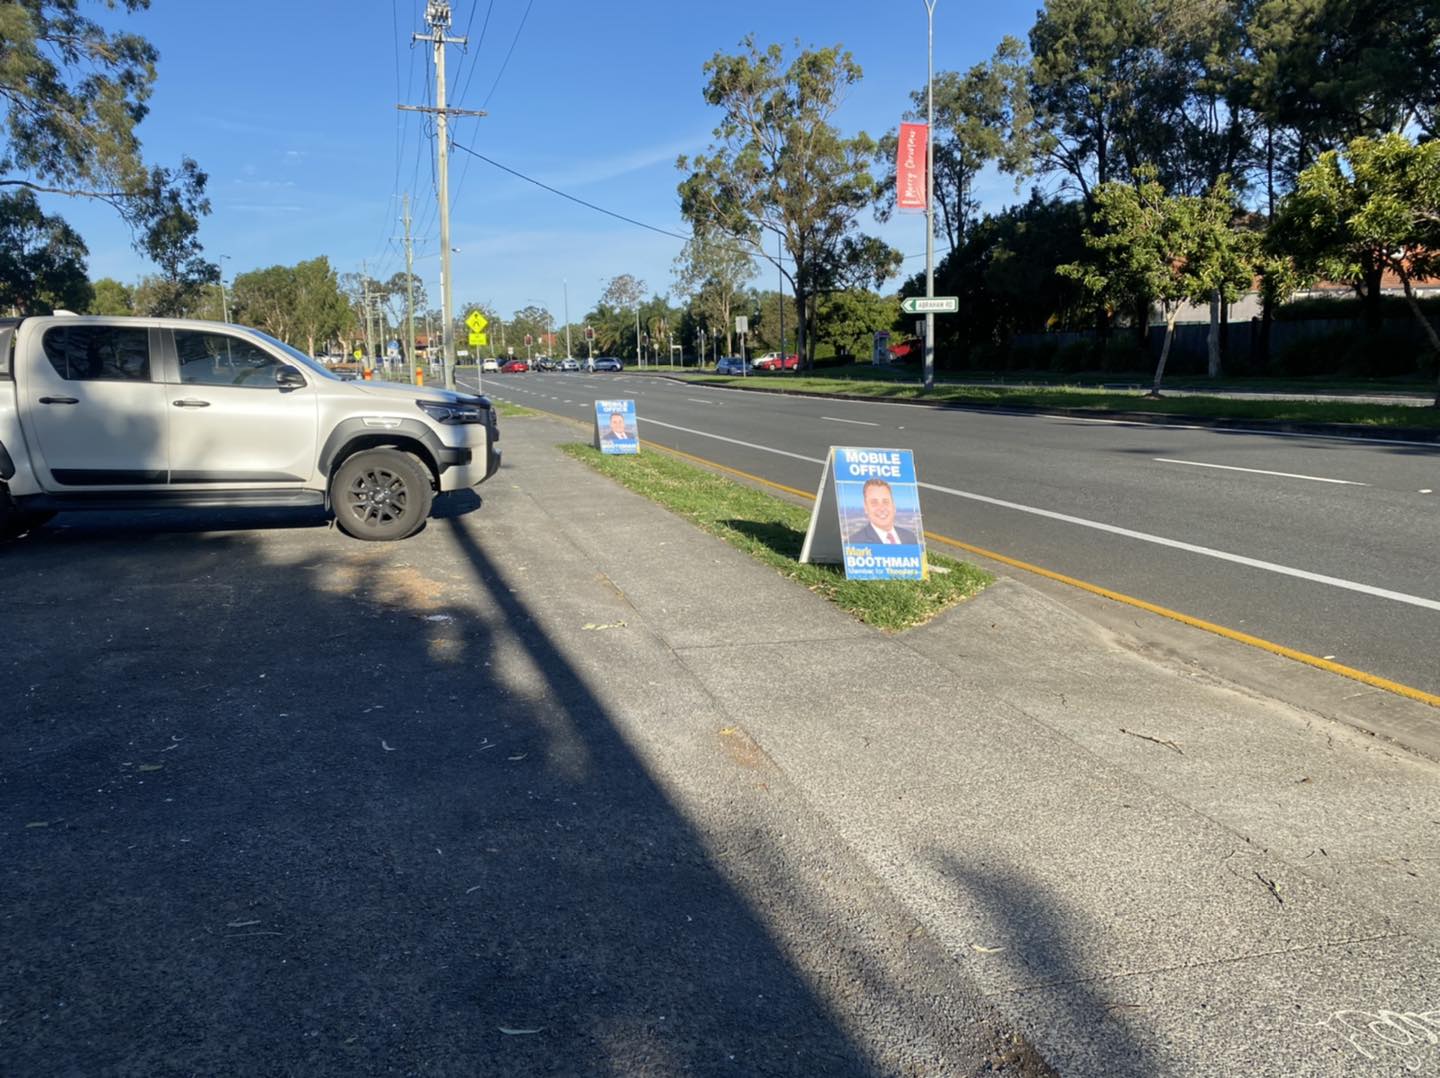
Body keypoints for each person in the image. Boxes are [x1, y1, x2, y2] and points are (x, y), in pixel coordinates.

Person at [848, 477, 918, 545]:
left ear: (893, 505)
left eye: (885, 502)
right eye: (874, 503)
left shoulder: (910, 537)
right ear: (866, 508)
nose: (881, 508)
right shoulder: (854, 543)